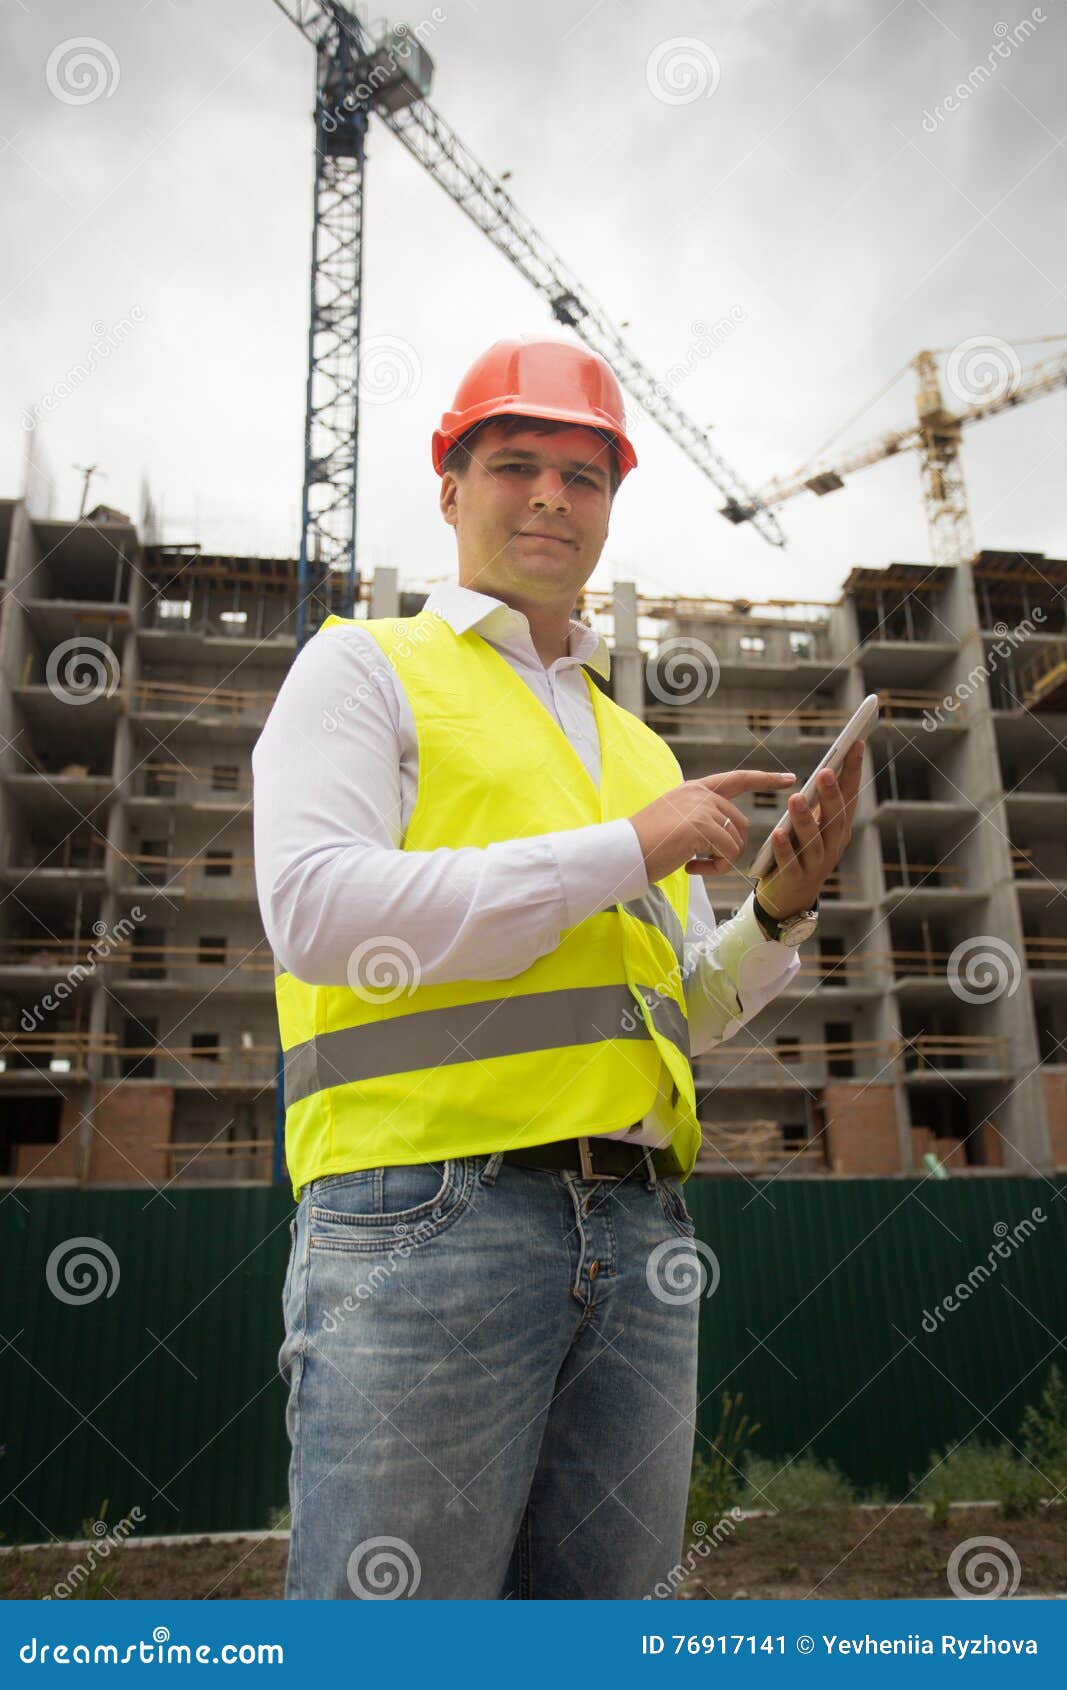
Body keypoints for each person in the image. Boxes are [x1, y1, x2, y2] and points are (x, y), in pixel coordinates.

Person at [252, 336, 863, 1600]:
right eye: (515, 464)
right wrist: (624, 846)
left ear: (608, 507)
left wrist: (779, 913)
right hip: (422, 1219)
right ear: (449, 487)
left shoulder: (637, 745)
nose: (548, 496)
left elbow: (674, 1007)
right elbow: (315, 912)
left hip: (639, 1235)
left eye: (582, 478)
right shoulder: (362, 668)